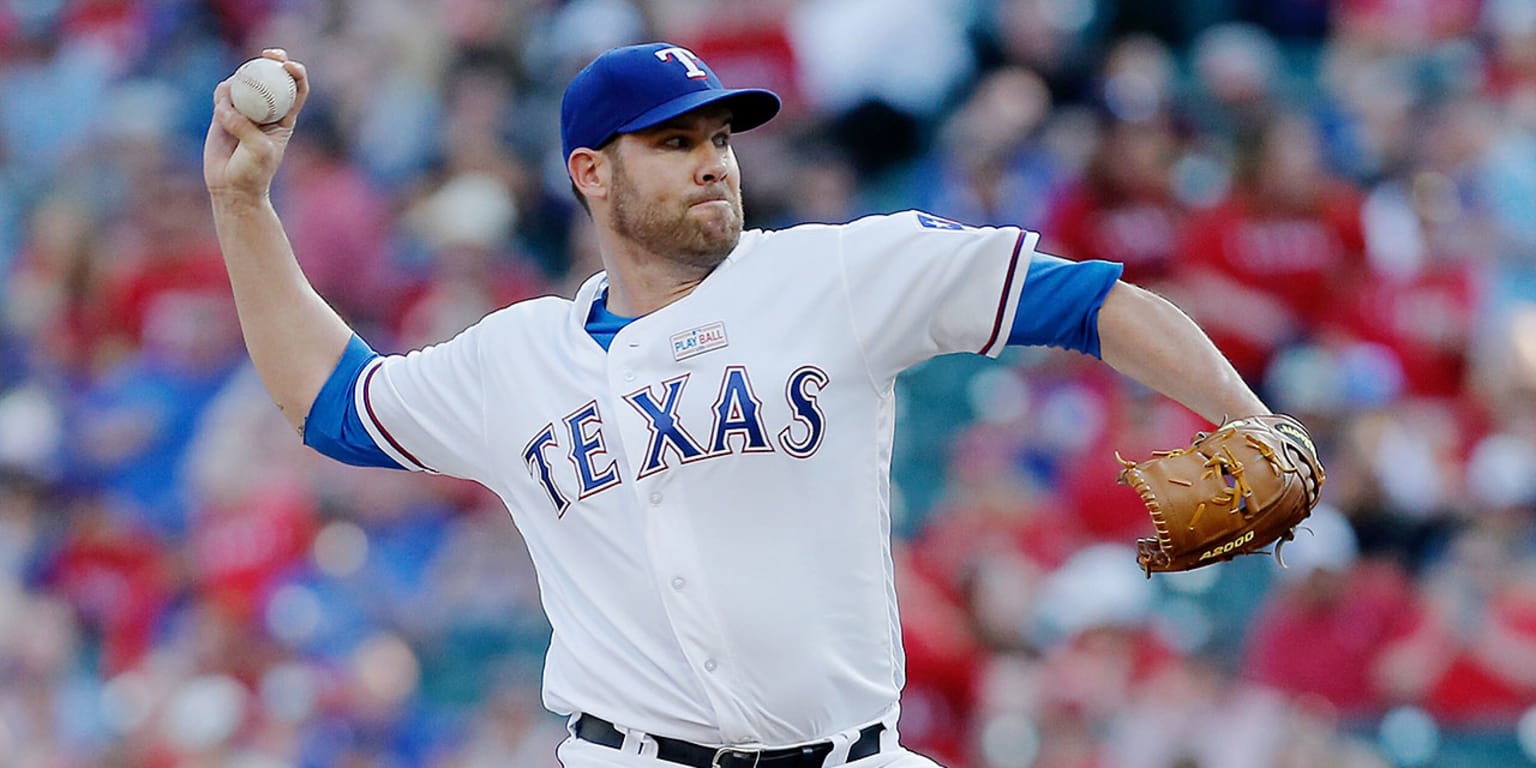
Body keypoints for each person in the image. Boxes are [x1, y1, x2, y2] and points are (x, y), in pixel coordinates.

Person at [204, 43, 1283, 768]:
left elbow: (1092, 302)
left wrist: (1253, 422)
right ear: (591, 172)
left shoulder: (834, 275)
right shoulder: (515, 358)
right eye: (675, 144)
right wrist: (243, 205)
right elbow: (335, 404)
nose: (713, 164)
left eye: (720, 138)